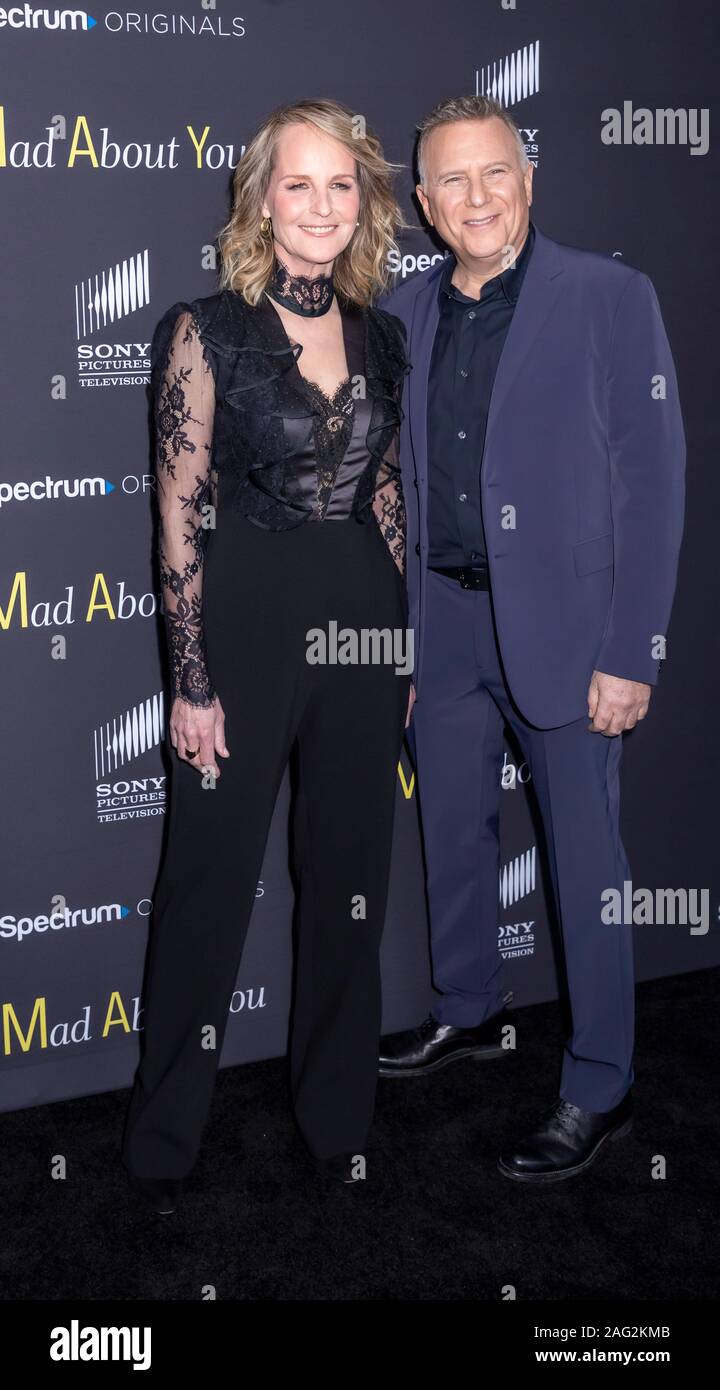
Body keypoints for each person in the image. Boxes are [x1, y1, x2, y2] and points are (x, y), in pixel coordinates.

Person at [378, 95, 685, 1182]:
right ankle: (468, 1004)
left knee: (587, 862)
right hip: (446, 623)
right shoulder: (404, 314)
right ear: (423, 203)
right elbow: (398, 487)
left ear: (530, 178)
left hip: (569, 629)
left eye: (493, 173)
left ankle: (601, 1082)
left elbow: (652, 486)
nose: (475, 197)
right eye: (450, 182)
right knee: (451, 829)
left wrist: (631, 648)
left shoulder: (609, 297)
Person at [121, 99, 412, 1214]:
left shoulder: (383, 333)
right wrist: (189, 680)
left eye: (342, 184)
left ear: (364, 200)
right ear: (262, 199)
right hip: (242, 620)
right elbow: (179, 510)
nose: (322, 206)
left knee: (348, 884)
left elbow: (383, 489)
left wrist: (401, 647)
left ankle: (338, 1115)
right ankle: (163, 1135)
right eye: (300, 183)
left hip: (362, 621)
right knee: (206, 883)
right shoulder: (207, 329)